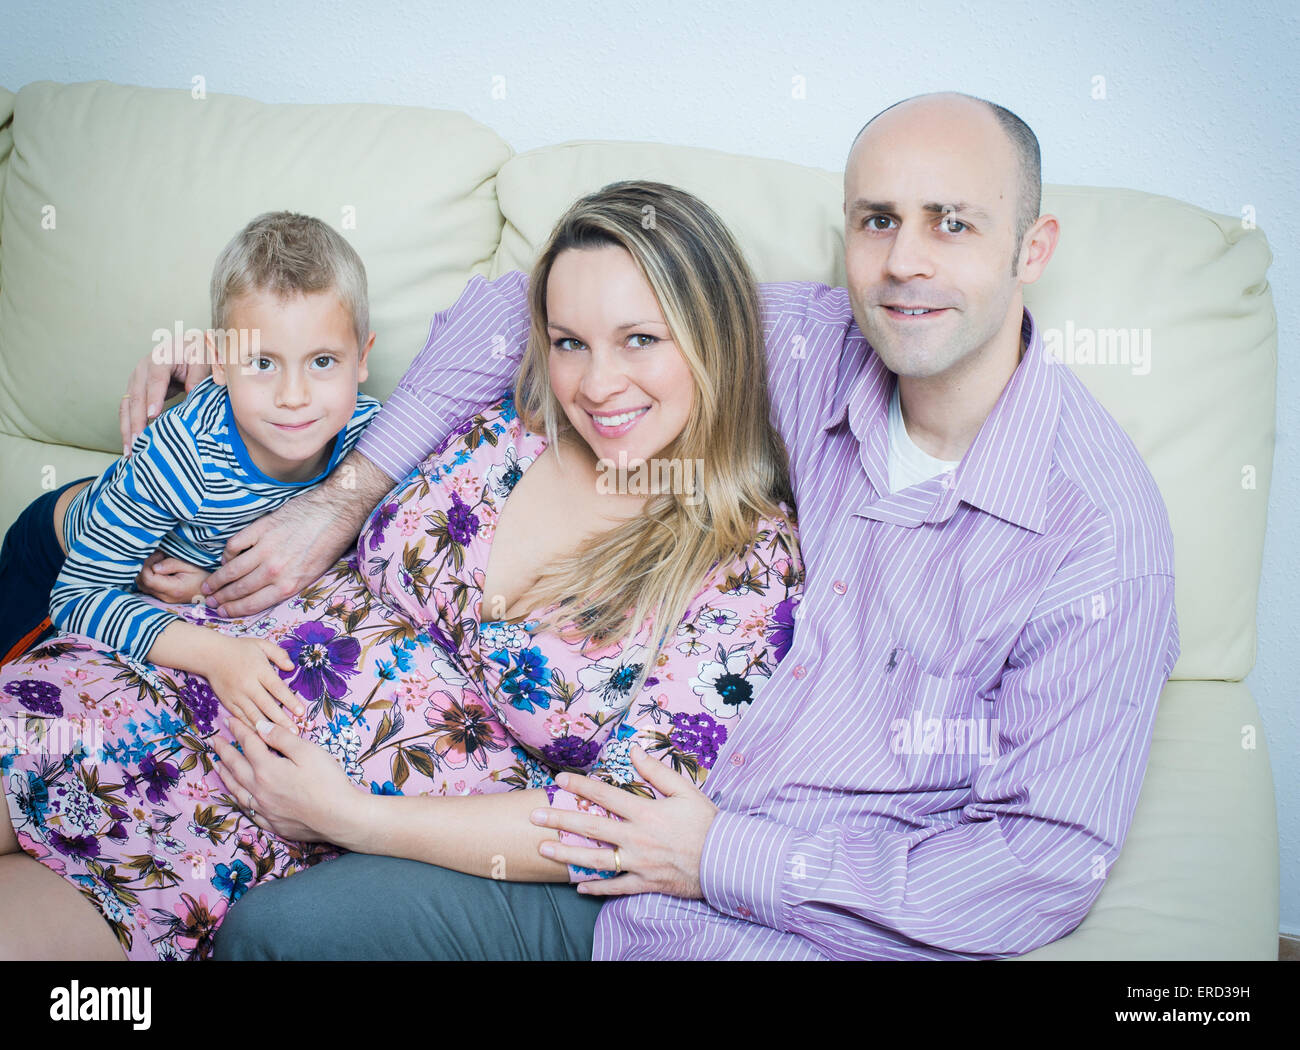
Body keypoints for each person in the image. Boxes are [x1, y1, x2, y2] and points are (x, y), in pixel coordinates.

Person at [183, 92, 1178, 961]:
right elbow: (518, 315)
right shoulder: (817, 343)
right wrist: (338, 496)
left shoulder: (1097, 541)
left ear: (1031, 248)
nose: (904, 262)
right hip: (624, 860)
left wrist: (724, 856)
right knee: (279, 920)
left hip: (766, 918)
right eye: (877, 221)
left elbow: (1042, 868)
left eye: (951, 224)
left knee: (284, 927)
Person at [0, 180, 803, 960]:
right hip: (160, 683)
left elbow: (618, 822)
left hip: (241, 838)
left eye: (641, 339)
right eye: (570, 341)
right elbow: (309, 399)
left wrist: (346, 818)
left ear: (716, 336)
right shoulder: (506, 419)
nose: (596, 385)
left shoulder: (749, 565)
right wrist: (224, 360)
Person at [0, 211, 379, 743]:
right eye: (263, 364)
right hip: (61, 555)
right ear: (219, 364)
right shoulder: (182, 455)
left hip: (180, 570)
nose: (294, 396)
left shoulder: (372, 435)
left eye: (322, 361)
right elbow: (79, 598)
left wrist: (206, 585)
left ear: (362, 359)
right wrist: (216, 655)